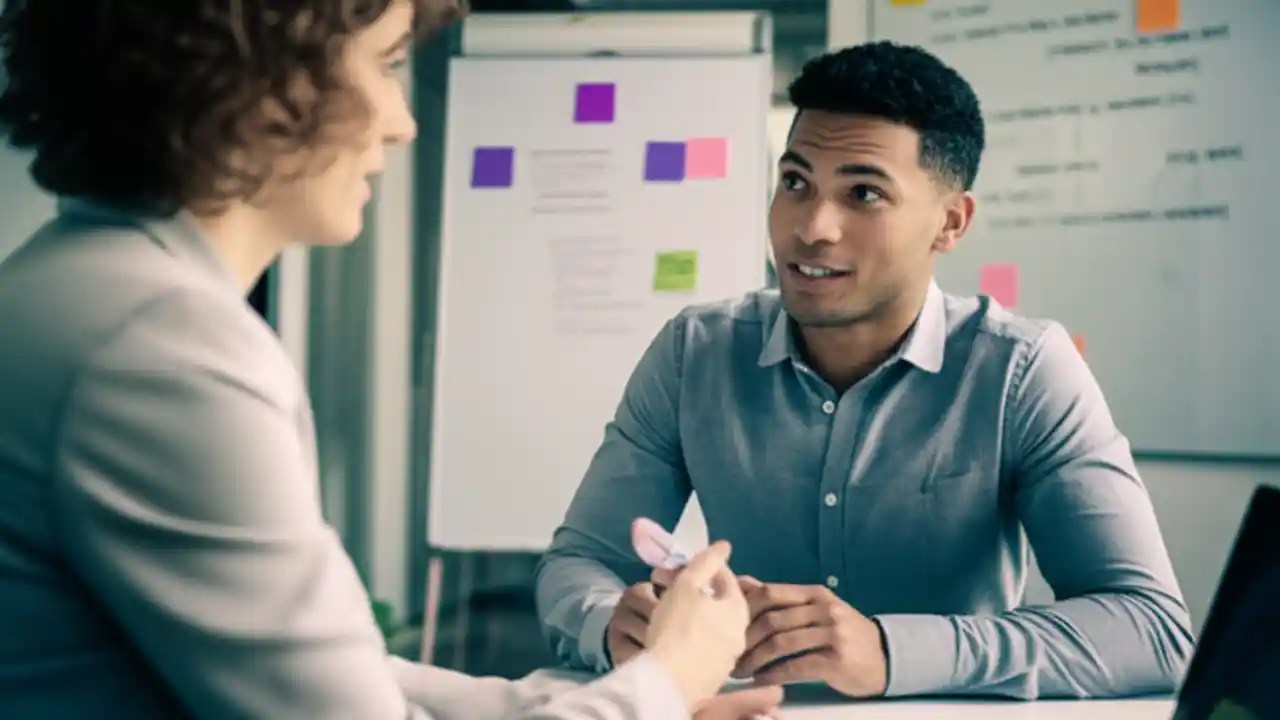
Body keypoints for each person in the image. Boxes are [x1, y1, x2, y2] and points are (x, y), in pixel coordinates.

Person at [0, 1, 782, 718]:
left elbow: (347, 673)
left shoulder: (83, 290)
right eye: (384, 65)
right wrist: (671, 676)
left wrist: (637, 700)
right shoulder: (159, 351)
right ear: (252, 81)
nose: (400, 122)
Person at [535, 40, 1196, 701]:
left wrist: (889, 648)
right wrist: (611, 622)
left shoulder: (1021, 371)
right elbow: (579, 564)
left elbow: (1152, 628)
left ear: (950, 222)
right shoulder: (694, 353)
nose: (813, 227)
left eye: (864, 194)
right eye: (795, 183)